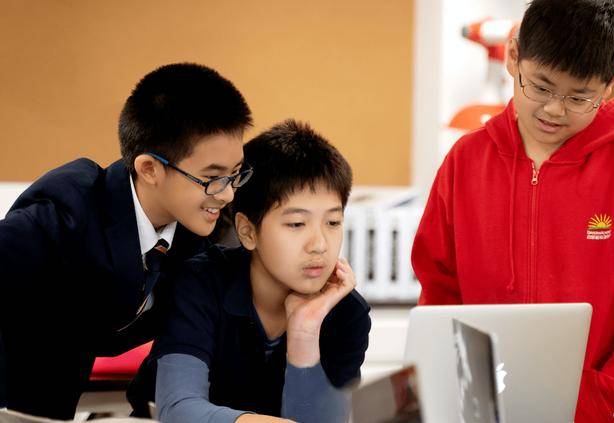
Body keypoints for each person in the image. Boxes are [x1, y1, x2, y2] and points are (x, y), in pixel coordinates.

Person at [411, 0, 614, 421]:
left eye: (579, 97)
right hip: (485, 407)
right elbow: (440, 293)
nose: (554, 109)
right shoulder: (465, 161)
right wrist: (461, 390)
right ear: (514, 56)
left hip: (604, 410)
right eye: (541, 87)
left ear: (610, 83)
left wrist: (598, 399)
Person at [0, 62, 253, 419]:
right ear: (149, 169)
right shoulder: (63, 216)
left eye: (235, 174)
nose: (226, 194)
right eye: (211, 178)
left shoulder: (205, 230)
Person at [128, 120, 371, 422]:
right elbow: (178, 409)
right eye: (296, 224)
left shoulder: (347, 312)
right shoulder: (200, 283)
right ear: (247, 231)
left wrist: (304, 333)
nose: (320, 245)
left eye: (333, 222)